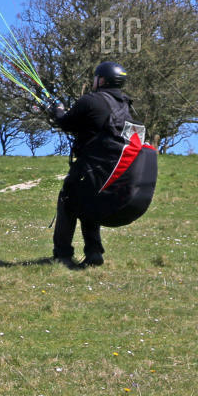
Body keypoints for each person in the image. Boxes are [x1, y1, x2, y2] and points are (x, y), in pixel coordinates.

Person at [44, 60, 136, 268]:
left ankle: (63, 255)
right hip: (115, 171)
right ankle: (94, 253)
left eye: (96, 77)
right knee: (89, 202)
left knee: (68, 201)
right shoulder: (125, 105)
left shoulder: (91, 100)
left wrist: (56, 110)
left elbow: (66, 123)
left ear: (101, 80)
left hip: (90, 166)